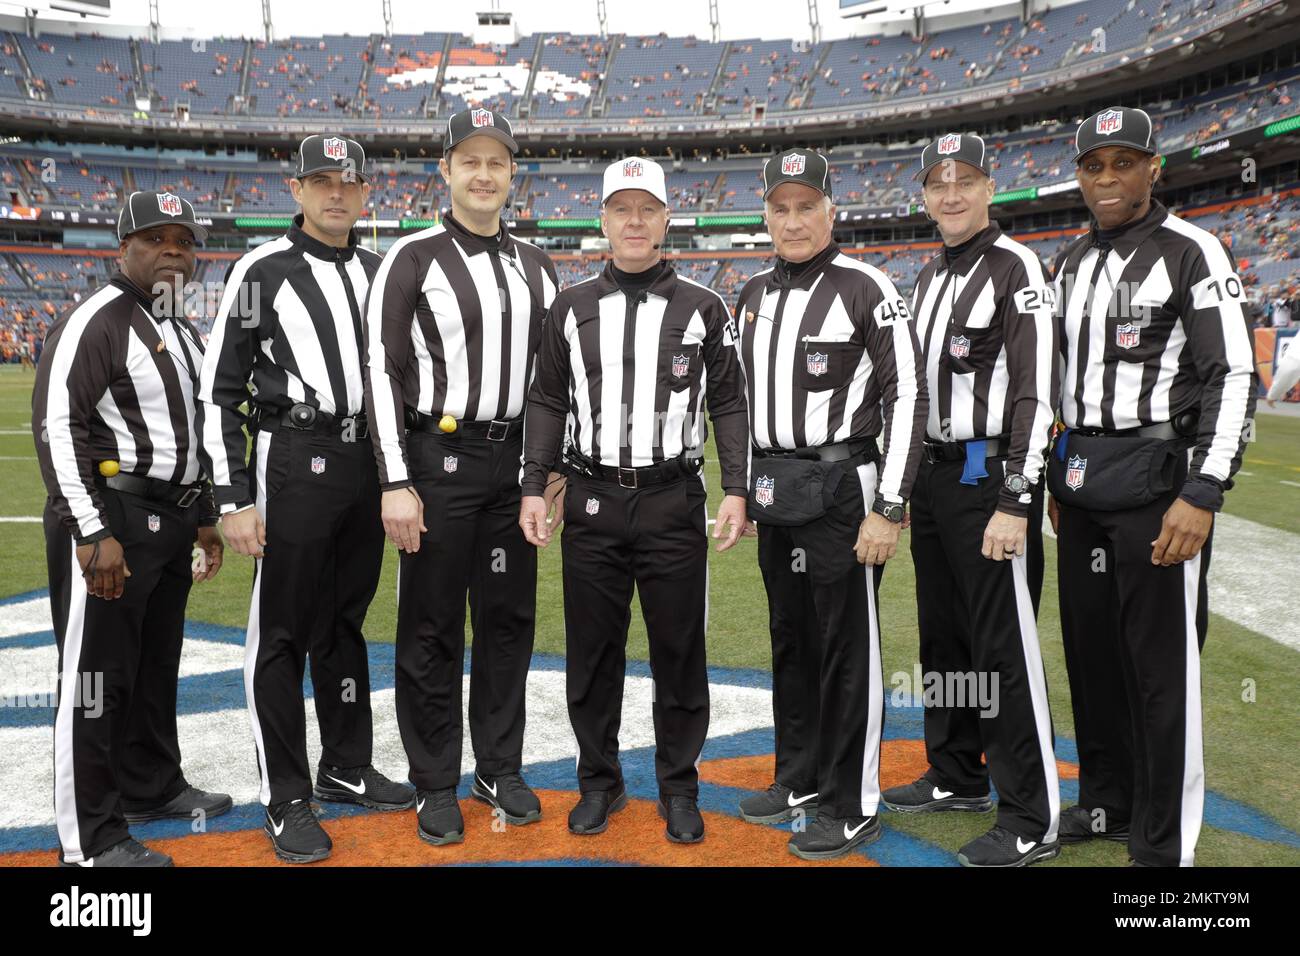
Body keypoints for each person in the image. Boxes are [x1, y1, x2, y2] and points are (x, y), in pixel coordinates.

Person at [519, 156, 749, 844]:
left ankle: (679, 786)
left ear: (667, 219)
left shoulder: (705, 307)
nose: (635, 221)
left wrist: (736, 489)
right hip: (591, 498)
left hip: (673, 497)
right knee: (593, 651)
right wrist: (535, 483)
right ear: (604, 221)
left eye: (647, 209)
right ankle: (600, 781)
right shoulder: (571, 305)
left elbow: (732, 403)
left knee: (679, 650)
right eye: (622, 209)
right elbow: (547, 398)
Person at [1049, 106, 1257, 867]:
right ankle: (1106, 800)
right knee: (1093, 657)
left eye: (1124, 163)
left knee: (1160, 667)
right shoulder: (1071, 260)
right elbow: (1066, 382)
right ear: (1079, 175)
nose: (1108, 178)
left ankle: (1164, 841)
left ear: (1153, 169)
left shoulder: (1193, 251)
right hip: (1081, 485)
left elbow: (1232, 373)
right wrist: (1055, 475)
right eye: (1094, 165)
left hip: (1157, 489)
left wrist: (1204, 490)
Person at [197, 135, 412, 865]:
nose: (336, 194)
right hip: (292, 457)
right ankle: (284, 795)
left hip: (362, 462)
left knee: (345, 623)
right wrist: (232, 496)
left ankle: (345, 765)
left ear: (364, 191)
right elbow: (220, 390)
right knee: (281, 633)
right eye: (321, 181)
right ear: (296, 190)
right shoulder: (261, 269)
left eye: (348, 182)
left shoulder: (384, 272)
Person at [364, 109, 558, 846]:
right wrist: (393, 478)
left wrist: (551, 473)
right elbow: (380, 371)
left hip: (515, 469)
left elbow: (553, 384)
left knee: (509, 624)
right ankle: (434, 779)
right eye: (468, 161)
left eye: (496, 163)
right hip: (438, 465)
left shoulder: (538, 266)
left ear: (513, 175)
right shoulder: (412, 257)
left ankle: (498, 765)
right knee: (431, 627)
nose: (483, 175)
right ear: (444, 171)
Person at [731, 148, 926, 860]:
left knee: (849, 649)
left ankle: (853, 802)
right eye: (780, 209)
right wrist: (741, 488)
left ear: (830, 211)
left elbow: (908, 395)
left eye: (805, 206)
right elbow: (738, 404)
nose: (792, 221)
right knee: (793, 638)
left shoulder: (867, 286)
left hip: (846, 488)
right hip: (778, 488)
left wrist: (892, 505)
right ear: (768, 216)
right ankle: (801, 776)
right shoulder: (750, 296)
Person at [33, 191, 231, 867]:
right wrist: (90, 531)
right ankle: (88, 838)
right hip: (112, 515)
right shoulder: (98, 318)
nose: (173, 250)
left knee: (153, 667)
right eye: (155, 238)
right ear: (123, 247)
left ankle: (150, 785)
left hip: (169, 519)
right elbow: (60, 425)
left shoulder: (178, 325)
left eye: (184, 239)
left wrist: (203, 517)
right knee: (95, 678)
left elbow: (191, 433)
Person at [879, 133, 1060, 867]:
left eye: (964, 180)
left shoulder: (1015, 265)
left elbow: (1035, 388)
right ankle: (958, 773)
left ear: (991, 187)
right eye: (936, 183)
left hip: (990, 476)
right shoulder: (931, 275)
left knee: (1002, 647)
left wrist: (1017, 496)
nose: (950, 194)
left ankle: (1032, 815)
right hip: (938, 475)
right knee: (945, 636)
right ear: (923, 195)